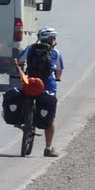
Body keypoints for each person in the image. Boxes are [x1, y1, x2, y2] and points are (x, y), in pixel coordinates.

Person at [21, 27, 64, 156]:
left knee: (24, 99)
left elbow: (19, 61)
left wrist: (22, 75)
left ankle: (24, 118)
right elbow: (59, 71)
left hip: (30, 84)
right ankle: (48, 148)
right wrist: (57, 78)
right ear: (51, 39)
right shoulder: (55, 53)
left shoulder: (30, 49)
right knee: (50, 119)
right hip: (47, 87)